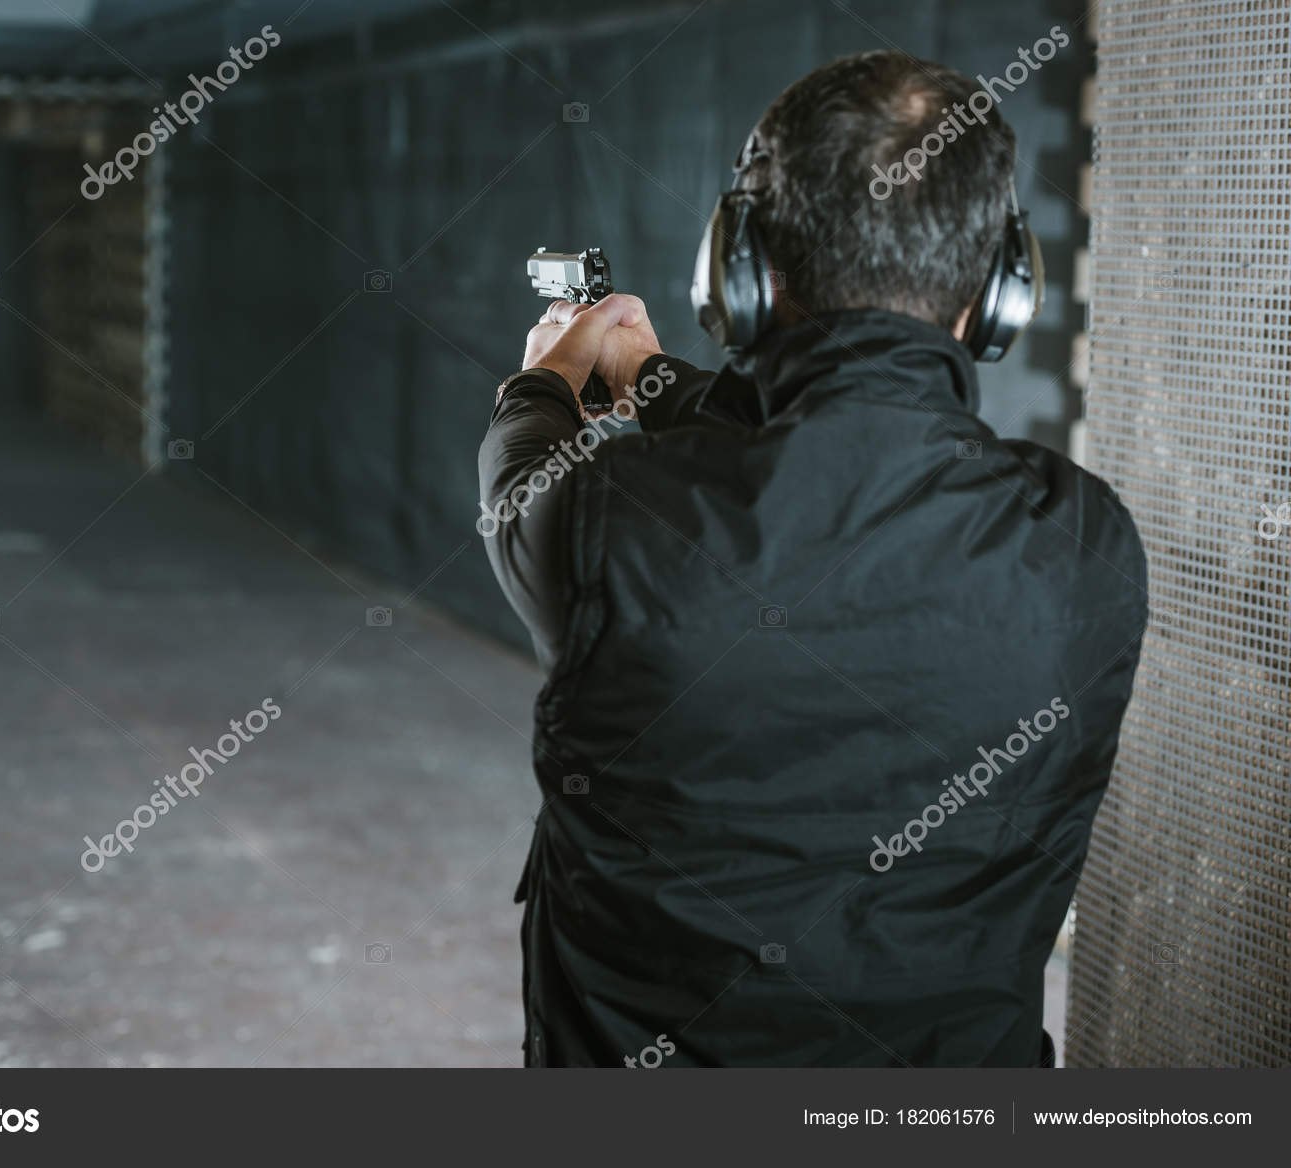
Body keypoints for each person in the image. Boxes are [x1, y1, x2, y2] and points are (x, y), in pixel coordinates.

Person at [476, 50, 1147, 1067]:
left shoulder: (611, 523)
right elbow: (850, 447)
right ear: (1002, 288)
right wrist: (650, 378)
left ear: (742, 273)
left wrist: (547, 381)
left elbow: (522, 487)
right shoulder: (1084, 541)